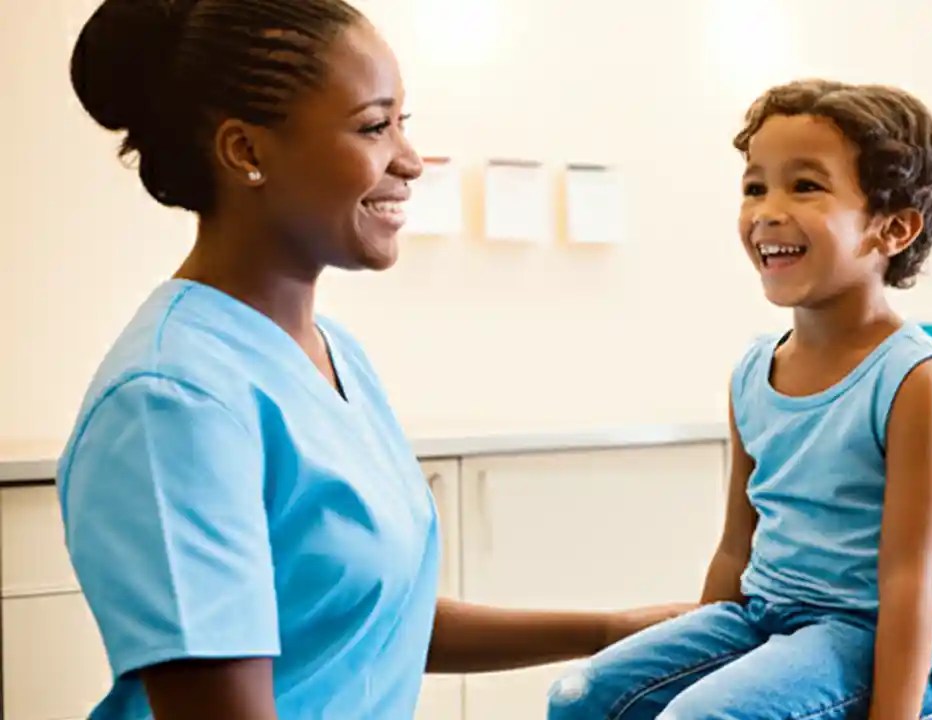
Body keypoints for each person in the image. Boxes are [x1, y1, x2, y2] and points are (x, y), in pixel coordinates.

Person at [58, 2, 687, 718]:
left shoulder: (332, 356)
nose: (411, 162)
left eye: (403, 124)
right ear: (246, 152)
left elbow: (367, 619)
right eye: (372, 126)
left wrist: (609, 631)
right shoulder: (172, 400)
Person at [547, 79, 932, 720]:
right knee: (580, 697)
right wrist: (693, 663)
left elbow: (910, 580)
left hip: (871, 633)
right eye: (754, 187)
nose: (767, 211)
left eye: (804, 186)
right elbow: (734, 548)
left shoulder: (914, 377)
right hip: (763, 614)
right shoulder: (753, 370)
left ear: (892, 229)